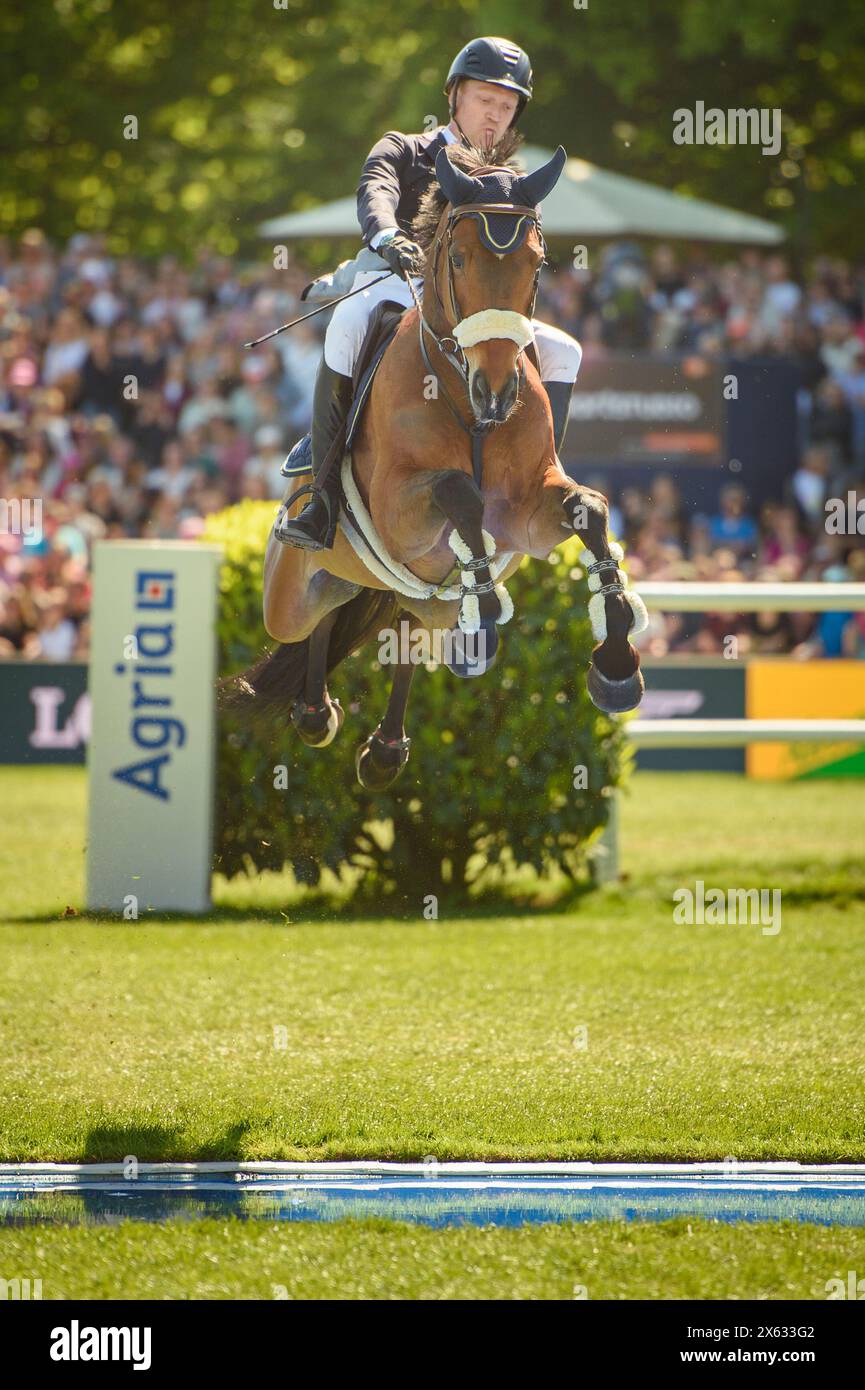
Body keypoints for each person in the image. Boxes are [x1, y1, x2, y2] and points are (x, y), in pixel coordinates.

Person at [279, 36, 583, 550]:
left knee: (565, 351)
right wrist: (386, 236)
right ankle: (323, 495)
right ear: (454, 95)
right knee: (349, 323)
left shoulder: (509, 183)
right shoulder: (406, 148)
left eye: (506, 106)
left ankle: (537, 476)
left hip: (470, 303)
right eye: (484, 100)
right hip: (395, 280)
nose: (494, 115)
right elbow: (375, 190)